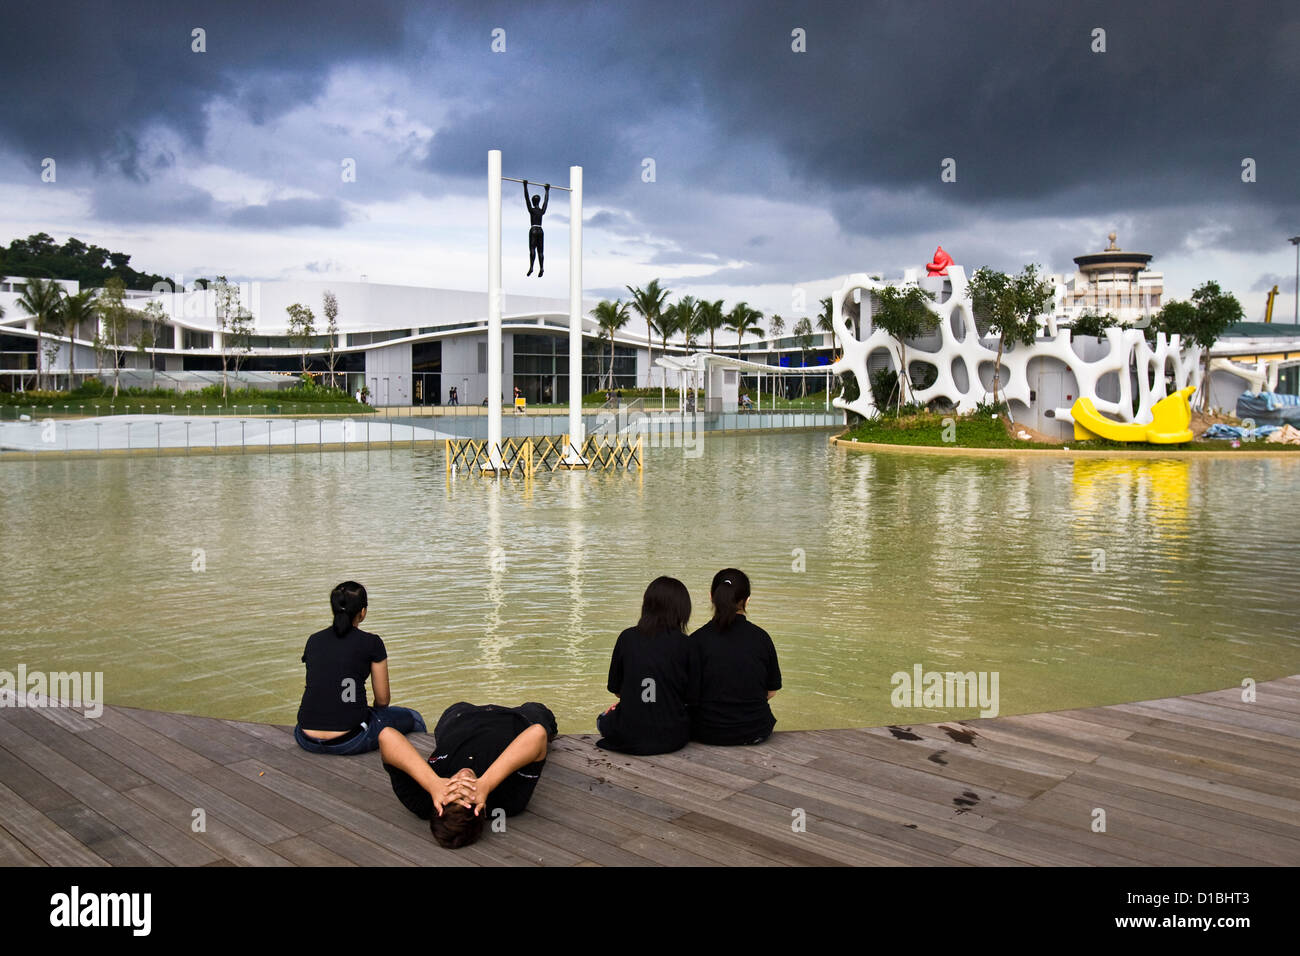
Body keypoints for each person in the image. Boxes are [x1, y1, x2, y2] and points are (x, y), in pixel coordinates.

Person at [380, 701, 557, 849]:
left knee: (453, 707)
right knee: (541, 713)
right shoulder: (509, 801)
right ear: (483, 809)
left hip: (460, 717)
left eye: (452, 791)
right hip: (518, 718)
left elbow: (387, 736)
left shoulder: (421, 800)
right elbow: (537, 734)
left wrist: (433, 784)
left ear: (437, 803)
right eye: (467, 792)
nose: (462, 779)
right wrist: (486, 784)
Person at [295, 581, 426, 755]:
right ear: (362, 612)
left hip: (305, 736)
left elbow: (323, 683)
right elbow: (382, 700)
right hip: (349, 739)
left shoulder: (314, 640)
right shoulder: (372, 643)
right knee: (414, 718)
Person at [596, 577, 698, 756]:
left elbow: (616, 690)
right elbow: (692, 697)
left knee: (603, 718)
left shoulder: (626, 638)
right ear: (683, 610)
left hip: (628, 736)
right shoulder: (687, 645)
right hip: (673, 738)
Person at [689, 568, 781, 745]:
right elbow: (771, 692)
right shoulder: (761, 638)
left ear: (711, 596)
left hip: (705, 731)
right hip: (755, 730)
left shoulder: (695, 641)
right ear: (747, 600)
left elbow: (688, 694)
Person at [523, 179, 549, 277]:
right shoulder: (541, 211)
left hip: (533, 229)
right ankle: (542, 267)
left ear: (533, 202)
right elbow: (546, 202)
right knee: (541, 251)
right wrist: (547, 191)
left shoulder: (532, 210)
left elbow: (526, 199)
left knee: (532, 249)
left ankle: (531, 267)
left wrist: (525, 187)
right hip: (540, 230)